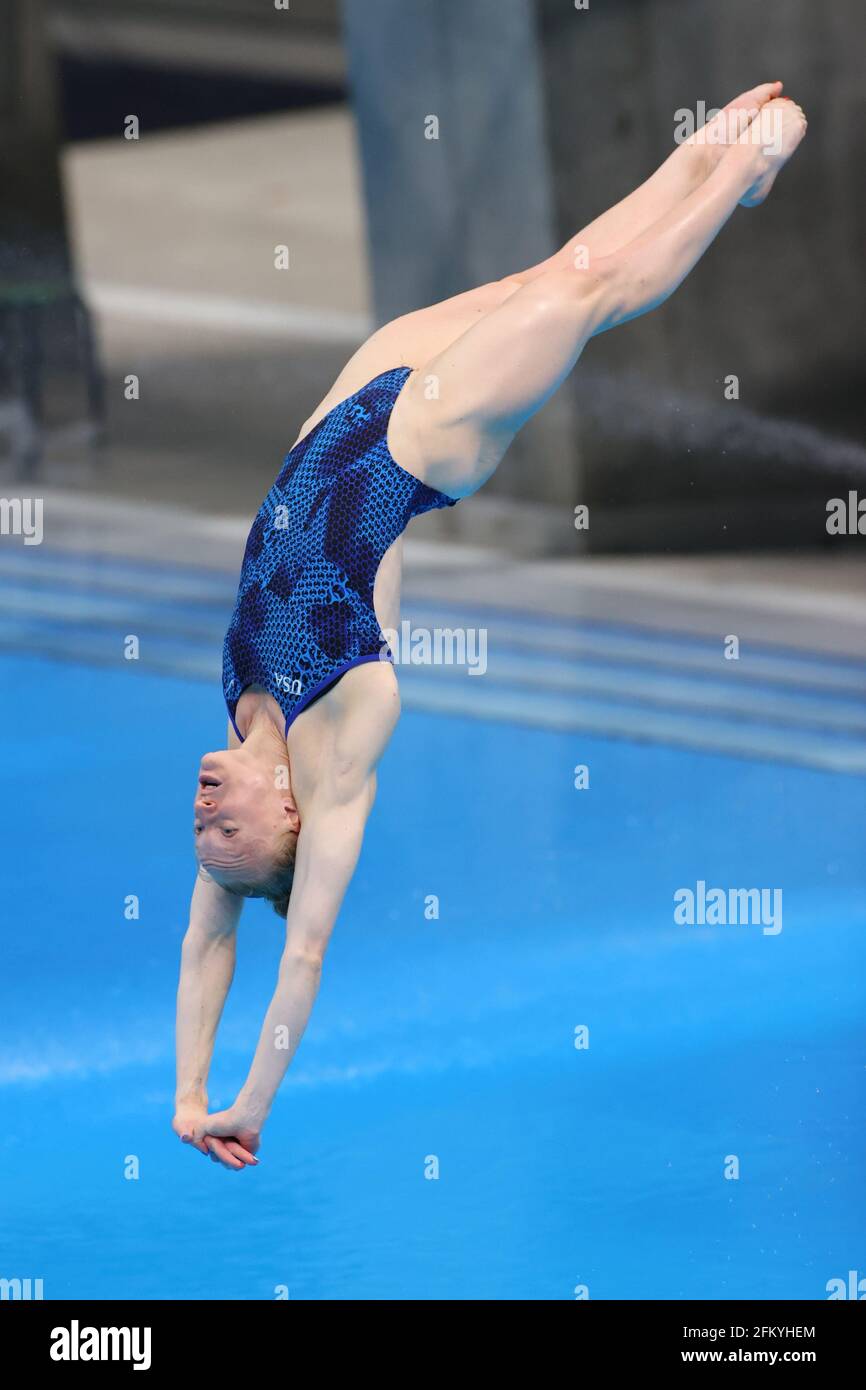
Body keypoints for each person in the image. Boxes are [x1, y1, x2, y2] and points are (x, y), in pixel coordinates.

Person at [174, 86, 806, 1168]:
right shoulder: (337, 749)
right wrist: (250, 1100)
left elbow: (203, 948)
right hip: (423, 440)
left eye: (201, 837)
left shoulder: (242, 719)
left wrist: (186, 1090)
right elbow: (303, 953)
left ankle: (704, 146)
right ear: (286, 816)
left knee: (547, 272)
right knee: (585, 289)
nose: (201, 818)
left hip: (349, 403)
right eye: (227, 835)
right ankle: (744, 170)